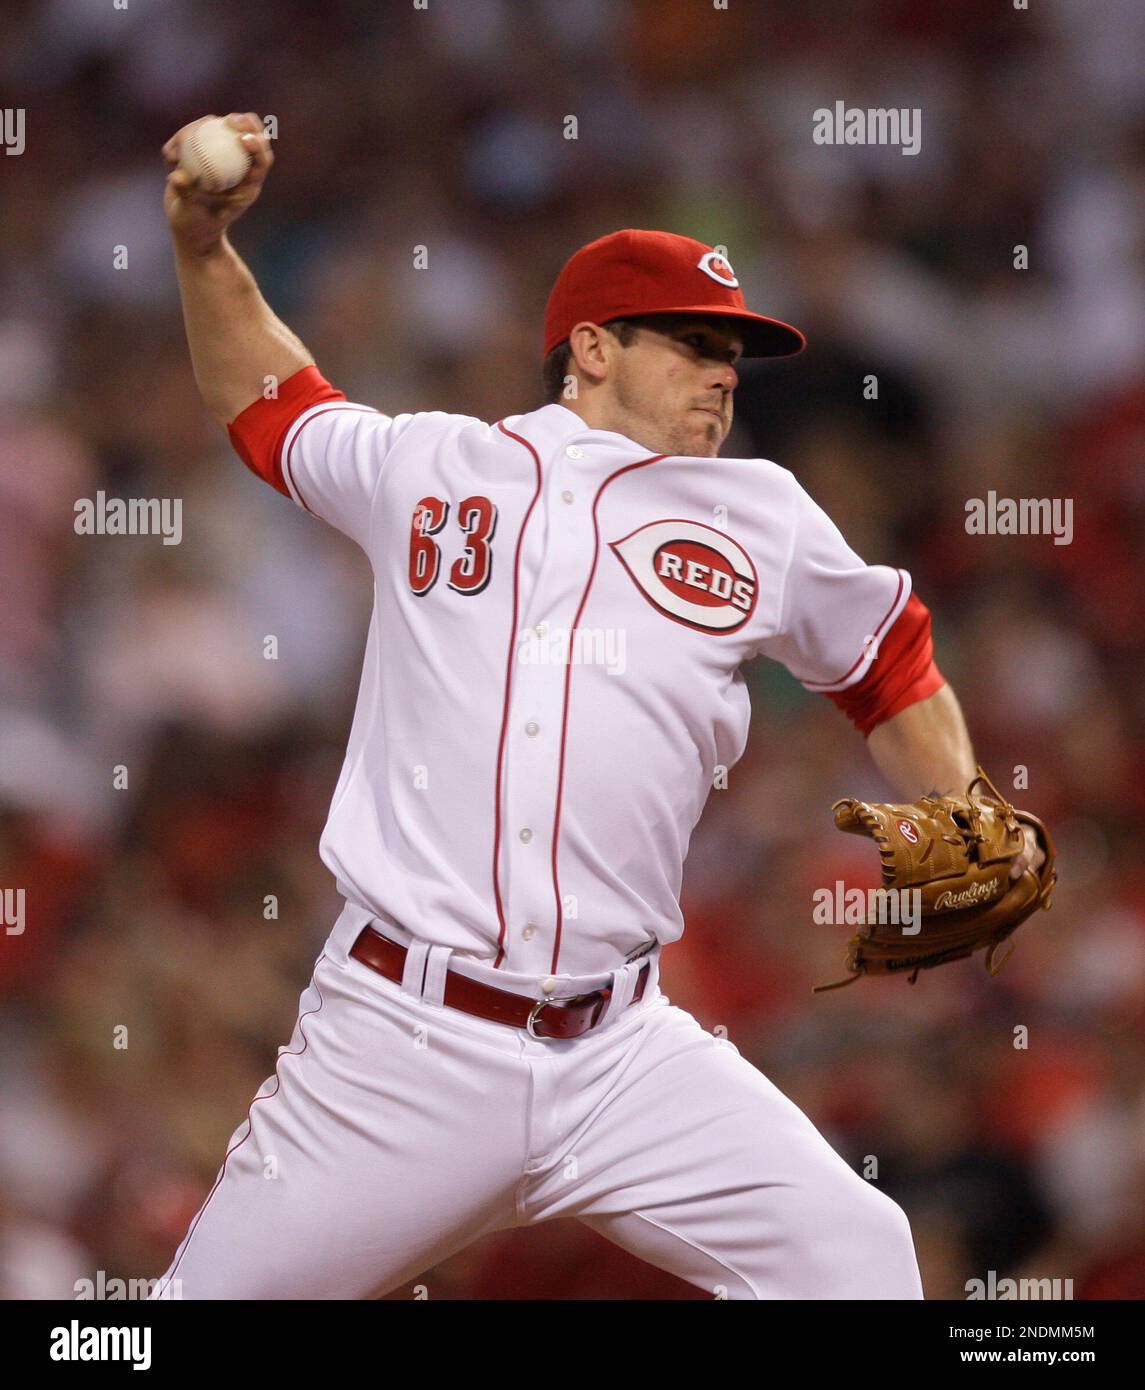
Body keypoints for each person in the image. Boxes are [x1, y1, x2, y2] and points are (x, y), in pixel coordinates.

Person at [153, 113, 1041, 1301]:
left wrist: (965, 815)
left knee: (861, 1261)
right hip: (399, 1046)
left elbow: (887, 662)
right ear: (590, 347)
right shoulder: (433, 466)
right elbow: (272, 405)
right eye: (690, 340)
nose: (723, 370)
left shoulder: (757, 514)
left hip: (621, 1052)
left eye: (732, 348)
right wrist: (203, 250)